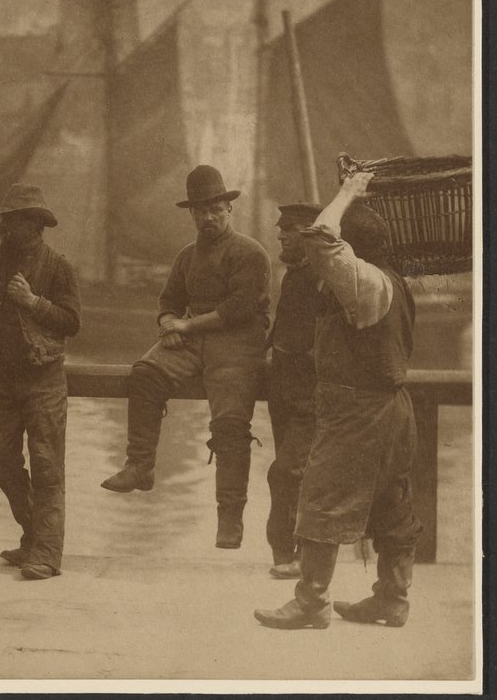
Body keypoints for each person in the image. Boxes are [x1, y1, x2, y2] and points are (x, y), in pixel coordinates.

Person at [255, 172, 421, 630]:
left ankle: (311, 603)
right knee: (392, 503)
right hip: (391, 411)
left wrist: (348, 193)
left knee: (322, 499)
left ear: (358, 248)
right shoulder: (395, 281)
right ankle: (392, 599)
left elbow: (322, 239)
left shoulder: (366, 282)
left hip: (357, 413)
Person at [101, 164, 271, 550]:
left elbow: (240, 309)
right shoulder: (186, 257)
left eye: (216, 209)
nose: (208, 217)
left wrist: (187, 327)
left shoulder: (250, 253)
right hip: (193, 340)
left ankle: (230, 519)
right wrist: (167, 324)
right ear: (191, 215)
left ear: (230, 210)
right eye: (200, 211)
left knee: (229, 425)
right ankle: (140, 466)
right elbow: (168, 302)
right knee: (144, 373)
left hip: (238, 343)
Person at [0, 184, 82, 580]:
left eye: (14, 220)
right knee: (0, 461)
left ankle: (47, 555)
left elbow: (72, 322)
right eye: (5, 220)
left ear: (36, 224)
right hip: (1, 379)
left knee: (48, 467)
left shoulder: (58, 266)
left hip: (43, 380)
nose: (6, 227)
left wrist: (33, 302)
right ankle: (35, 535)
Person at [264, 202, 326, 579]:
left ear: (309, 235)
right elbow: (283, 326)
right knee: (291, 472)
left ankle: (295, 552)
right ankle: (287, 555)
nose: (281, 235)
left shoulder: (323, 277)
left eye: (290, 230)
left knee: (289, 472)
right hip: (282, 388)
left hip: (311, 392)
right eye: (281, 230)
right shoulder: (293, 277)